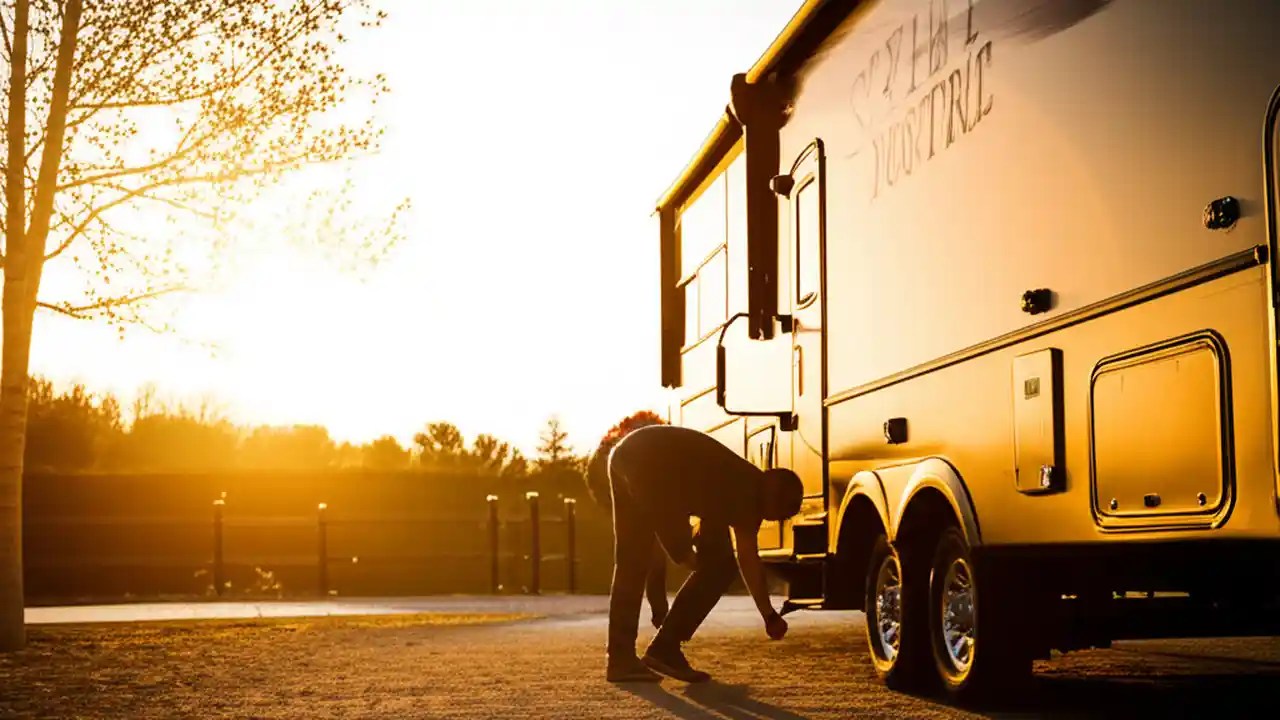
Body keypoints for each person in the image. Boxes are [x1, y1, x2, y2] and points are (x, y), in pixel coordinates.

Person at [603, 424, 805, 683]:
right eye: (781, 515)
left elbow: (705, 532)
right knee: (718, 568)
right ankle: (664, 648)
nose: (774, 520)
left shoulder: (738, 481)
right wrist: (768, 615)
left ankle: (622, 659)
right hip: (651, 466)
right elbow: (747, 559)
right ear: (774, 499)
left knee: (632, 561)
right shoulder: (749, 495)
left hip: (624, 455)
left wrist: (663, 592)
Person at [585, 411, 670, 630]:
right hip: (612, 473)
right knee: (639, 552)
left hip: (612, 470)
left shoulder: (649, 441)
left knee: (645, 549)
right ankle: (657, 615)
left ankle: (658, 613)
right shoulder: (648, 447)